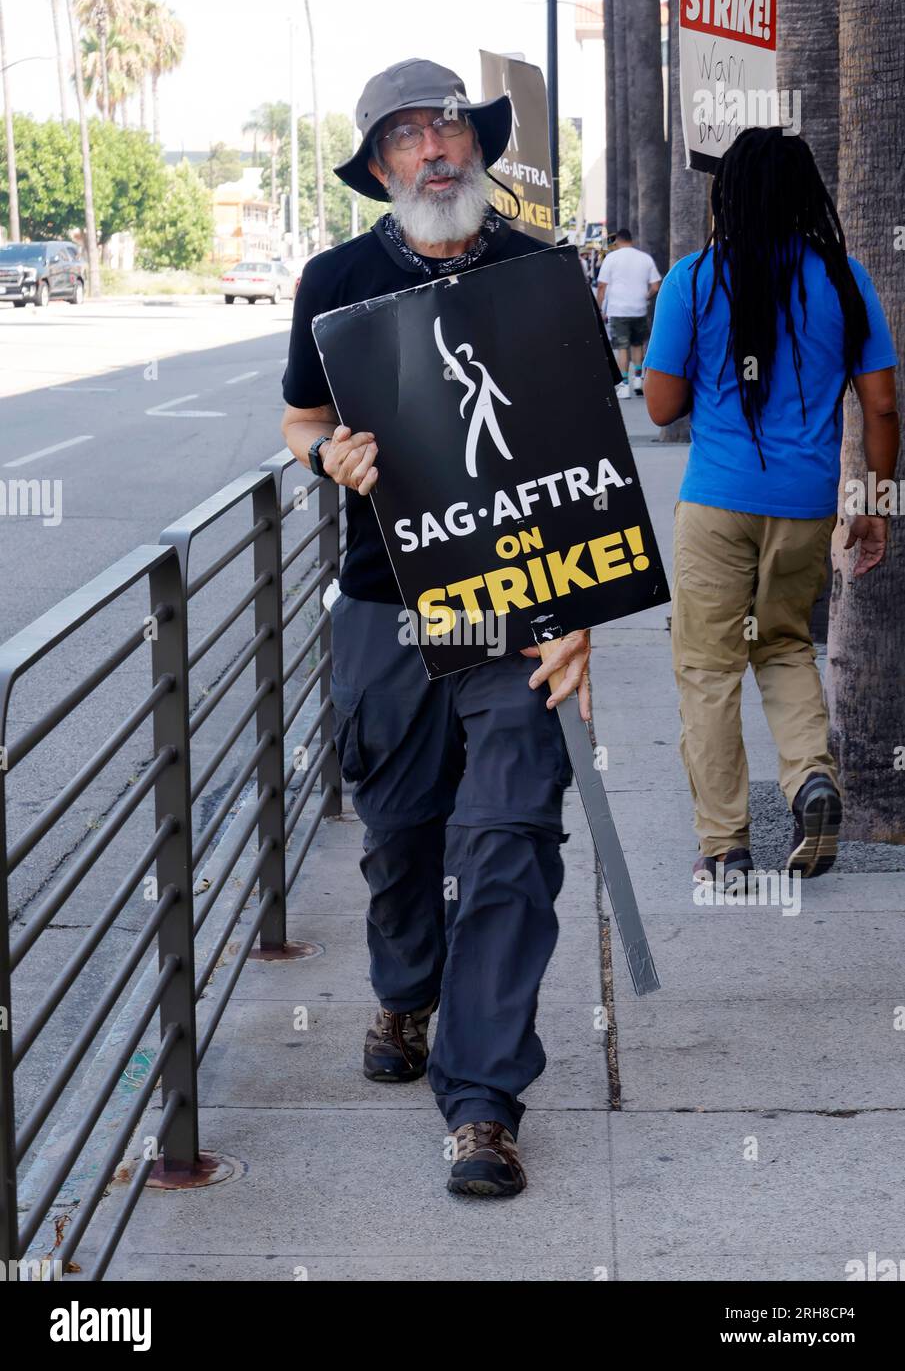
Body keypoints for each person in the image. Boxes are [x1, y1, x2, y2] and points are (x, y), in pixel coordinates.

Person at [280, 58, 594, 1198]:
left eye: (449, 128)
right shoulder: (336, 279)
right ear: (377, 166)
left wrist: (582, 623)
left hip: (516, 608)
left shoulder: (539, 272)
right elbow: (301, 417)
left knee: (509, 833)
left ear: (478, 147)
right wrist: (327, 457)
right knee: (400, 831)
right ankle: (405, 990)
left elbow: (585, 466)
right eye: (408, 136)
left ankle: (481, 1102)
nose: (434, 149)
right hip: (385, 602)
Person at [643, 127, 899, 885]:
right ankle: (809, 781)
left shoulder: (693, 281)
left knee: (707, 669)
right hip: (805, 507)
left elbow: (659, 406)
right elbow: (881, 409)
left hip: (716, 502)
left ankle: (725, 844)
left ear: (727, 196)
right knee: (783, 646)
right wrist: (874, 503)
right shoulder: (845, 280)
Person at [596, 228, 662, 399]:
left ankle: (625, 385)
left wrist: (600, 308)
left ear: (617, 241)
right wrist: (645, 297)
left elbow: (602, 286)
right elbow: (656, 286)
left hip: (618, 310)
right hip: (638, 309)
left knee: (622, 348)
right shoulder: (645, 258)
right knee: (637, 344)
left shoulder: (611, 258)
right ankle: (639, 380)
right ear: (631, 240)